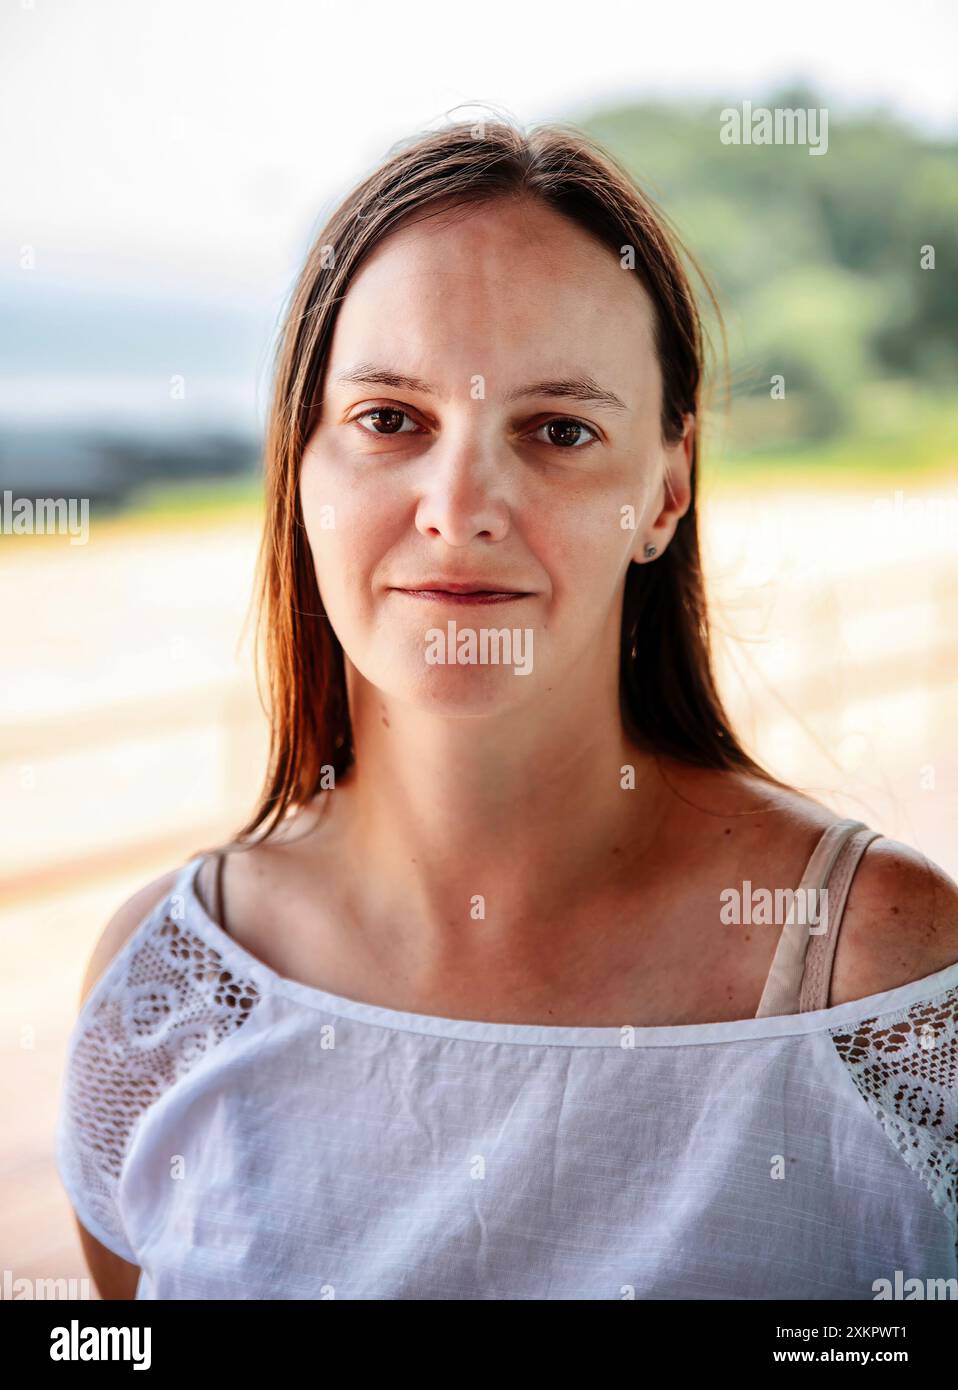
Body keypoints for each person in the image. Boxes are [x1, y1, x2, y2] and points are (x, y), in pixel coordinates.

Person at [56, 118, 958, 1301]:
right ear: (299, 460)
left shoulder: (886, 976)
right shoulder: (168, 986)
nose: (460, 505)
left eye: (561, 429)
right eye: (389, 418)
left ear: (666, 488)